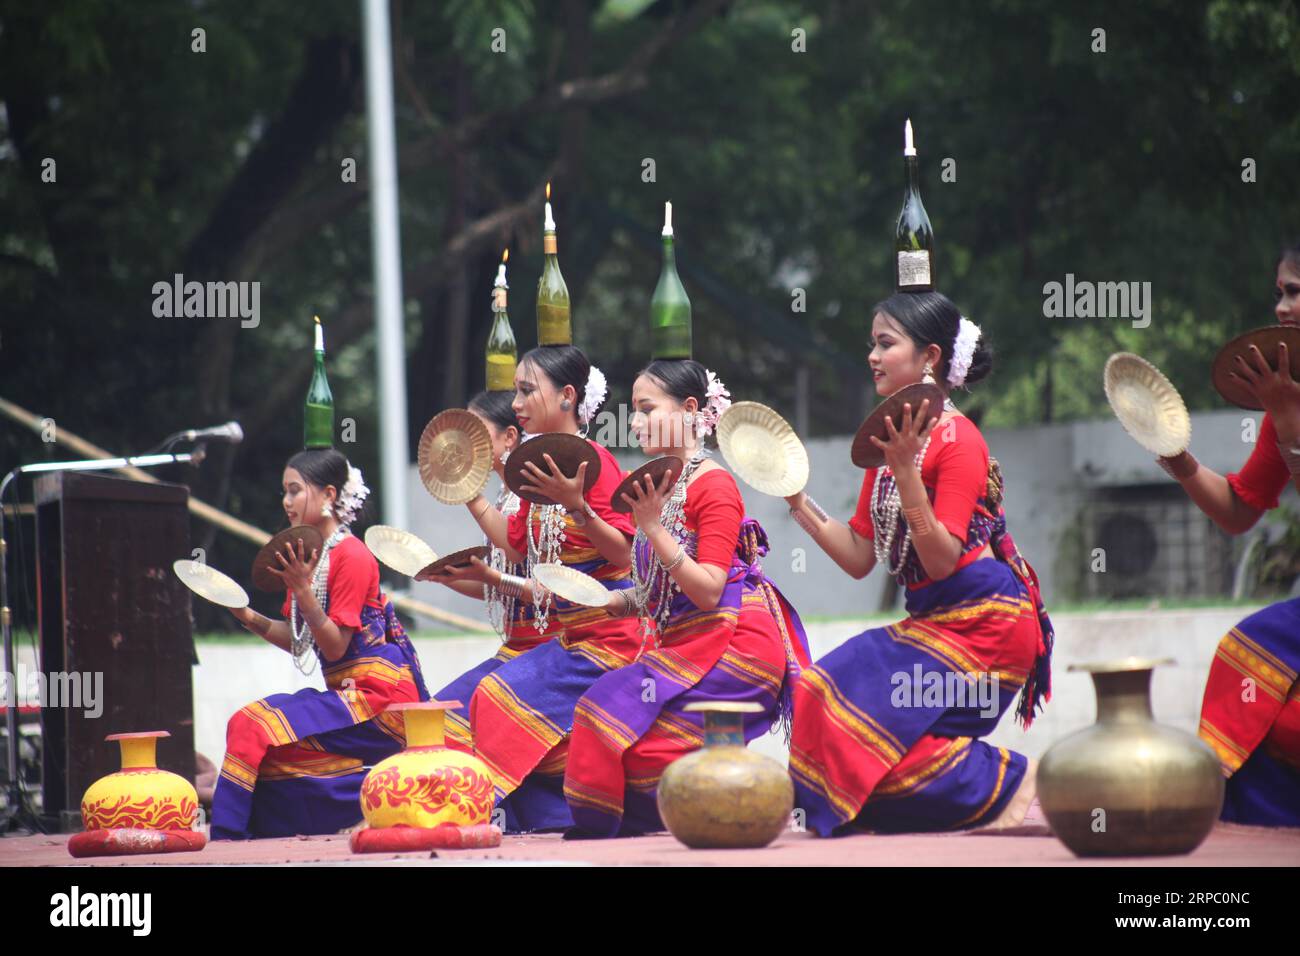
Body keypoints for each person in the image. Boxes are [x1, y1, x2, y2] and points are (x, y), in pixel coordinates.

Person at [784, 291, 1053, 836]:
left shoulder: (960, 440)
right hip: (933, 623)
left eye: (886, 343)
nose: (872, 356)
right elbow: (861, 558)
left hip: (988, 624)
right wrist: (796, 501)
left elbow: (942, 558)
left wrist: (906, 472)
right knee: (819, 698)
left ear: (929, 356)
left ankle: (1016, 781)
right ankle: (999, 789)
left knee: (869, 743)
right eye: (872, 345)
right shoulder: (888, 443)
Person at [562, 358, 812, 837]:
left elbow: (709, 590)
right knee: (600, 715)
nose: (633, 423)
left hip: (734, 641)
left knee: (641, 757)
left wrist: (652, 526)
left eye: (646, 409)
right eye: (631, 411)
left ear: (690, 409)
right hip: (688, 642)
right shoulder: (659, 487)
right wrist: (619, 602)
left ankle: (736, 806)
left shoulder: (713, 484)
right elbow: (664, 587)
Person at [450, 344, 643, 831]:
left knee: (495, 695)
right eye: (516, 389)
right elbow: (515, 550)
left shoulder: (595, 462)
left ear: (567, 397)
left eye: (526, 390)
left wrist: (579, 507)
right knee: (477, 701)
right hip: (571, 639)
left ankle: (485, 813)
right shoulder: (529, 472)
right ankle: (529, 815)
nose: (515, 401)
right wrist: (467, 488)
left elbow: (623, 554)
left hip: (610, 640)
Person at [212, 448, 429, 839]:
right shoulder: (311, 558)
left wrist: (302, 589)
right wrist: (247, 616)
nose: (286, 501)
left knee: (253, 724)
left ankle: (226, 838)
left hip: (381, 700)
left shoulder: (353, 555)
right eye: (284, 492)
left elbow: (334, 649)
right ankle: (365, 810)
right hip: (349, 698)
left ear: (329, 495)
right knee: (275, 754)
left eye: (295, 490)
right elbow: (300, 640)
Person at [1157, 242, 1300, 826]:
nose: (1283, 306)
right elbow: (1240, 510)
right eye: (1280, 292)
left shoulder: (1283, 405)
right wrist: (1182, 461)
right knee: (1247, 663)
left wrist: (1287, 416)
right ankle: (1252, 822)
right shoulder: (1282, 401)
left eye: (1296, 290)